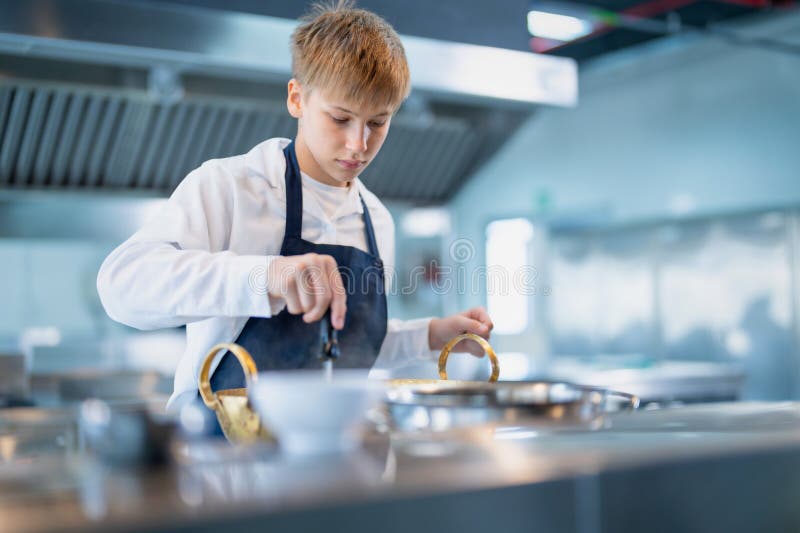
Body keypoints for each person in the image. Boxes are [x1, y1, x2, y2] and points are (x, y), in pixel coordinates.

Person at [96, 0, 494, 413]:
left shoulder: (375, 219)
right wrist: (266, 275)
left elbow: (342, 349)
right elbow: (120, 287)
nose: (359, 144)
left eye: (377, 122)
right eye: (340, 118)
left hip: (331, 456)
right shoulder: (234, 187)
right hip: (226, 453)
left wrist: (430, 335)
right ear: (297, 99)